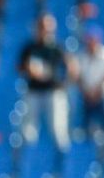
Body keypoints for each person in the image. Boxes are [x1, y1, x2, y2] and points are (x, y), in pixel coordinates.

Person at [18, 13, 72, 153]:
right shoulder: (30, 48)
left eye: (47, 28)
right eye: (42, 27)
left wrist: (62, 82)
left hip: (53, 91)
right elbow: (19, 67)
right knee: (29, 129)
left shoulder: (56, 48)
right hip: (34, 91)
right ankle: (28, 158)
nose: (45, 31)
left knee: (57, 128)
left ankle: (62, 158)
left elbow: (70, 68)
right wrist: (29, 70)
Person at [74, 26, 104, 145]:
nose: (90, 43)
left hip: (103, 96)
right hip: (86, 96)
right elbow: (77, 76)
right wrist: (87, 92)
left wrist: (97, 91)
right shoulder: (81, 56)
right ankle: (85, 149)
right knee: (86, 126)